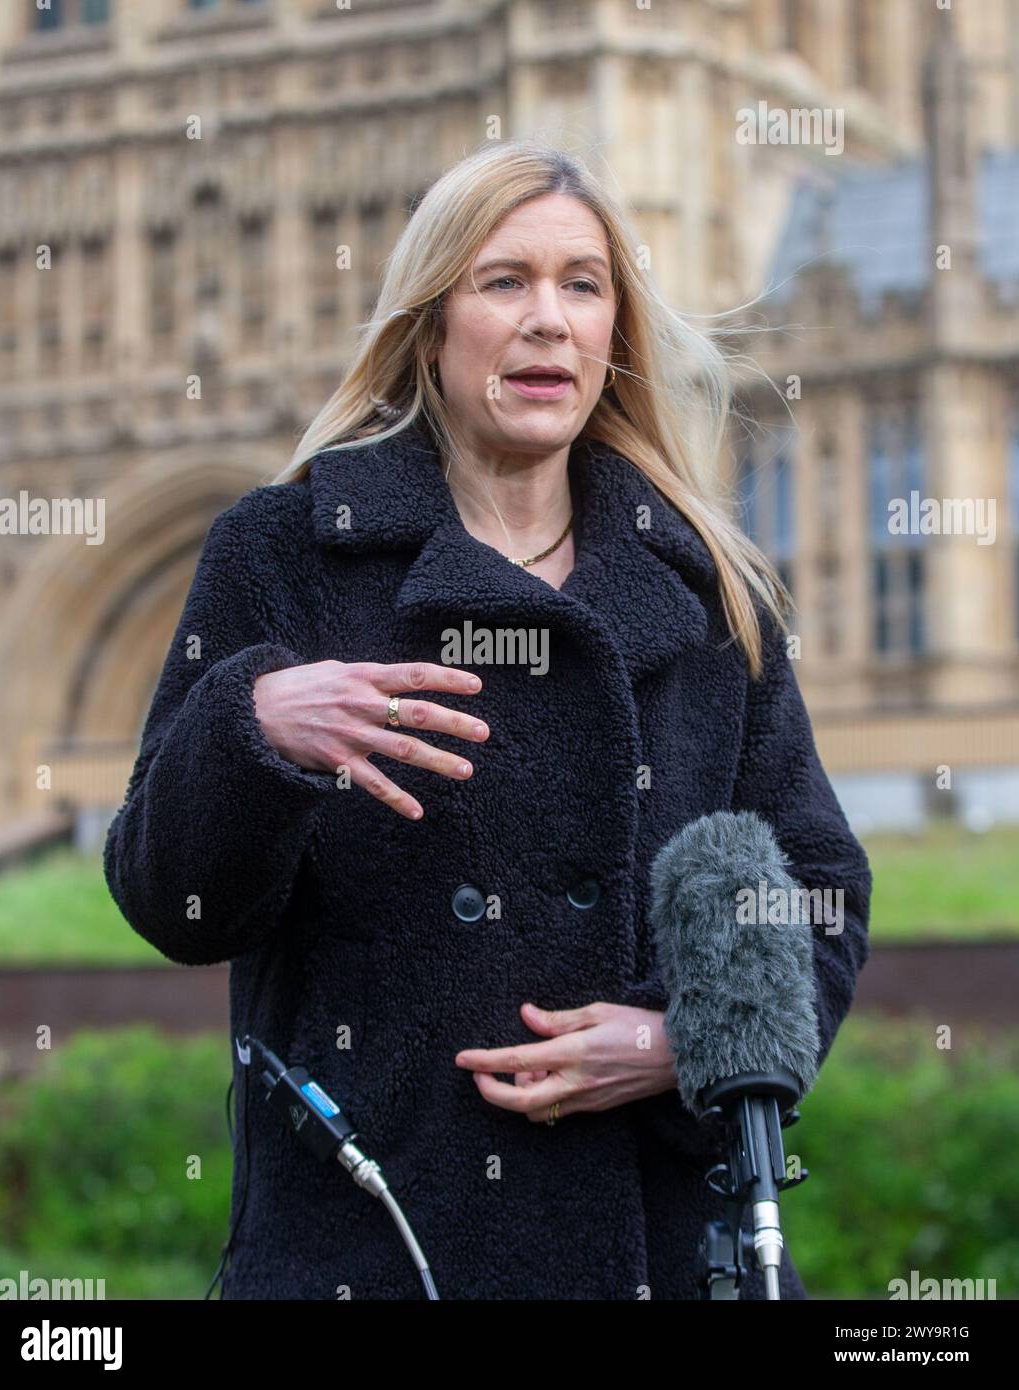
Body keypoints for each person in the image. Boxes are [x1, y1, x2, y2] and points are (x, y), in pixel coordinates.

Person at [103, 139, 872, 1300]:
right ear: (429, 324)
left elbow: (813, 880)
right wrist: (252, 727)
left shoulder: (711, 587)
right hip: (376, 1246)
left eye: (583, 284)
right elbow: (173, 900)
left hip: (658, 1252)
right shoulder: (284, 552)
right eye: (502, 282)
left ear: (615, 333)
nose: (548, 320)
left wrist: (686, 1042)